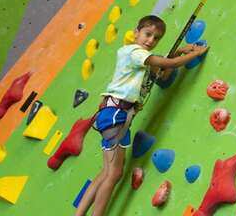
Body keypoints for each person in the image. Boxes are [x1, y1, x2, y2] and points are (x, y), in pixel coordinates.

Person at [74, 15, 208, 216]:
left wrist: (181, 50)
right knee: (114, 174)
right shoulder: (133, 52)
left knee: (106, 173)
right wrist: (196, 53)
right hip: (116, 115)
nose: (150, 40)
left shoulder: (141, 60)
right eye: (147, 34)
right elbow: (166, 64)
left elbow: (160, 71)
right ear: (136, 33)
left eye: (155, 38)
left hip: (117, 117)